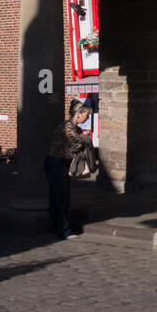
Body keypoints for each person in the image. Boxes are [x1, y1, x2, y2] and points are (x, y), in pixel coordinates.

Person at [44, 99, 92, 240]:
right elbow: (77, 143)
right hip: (56, 163)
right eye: (86, 115)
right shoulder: (67, 127)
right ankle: (64, 230)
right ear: (78, 114)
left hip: (60, 163)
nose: (87, 118)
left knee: (58, 197)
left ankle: (57, 226)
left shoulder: (74, 128)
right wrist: (85, 139)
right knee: (61, 197)